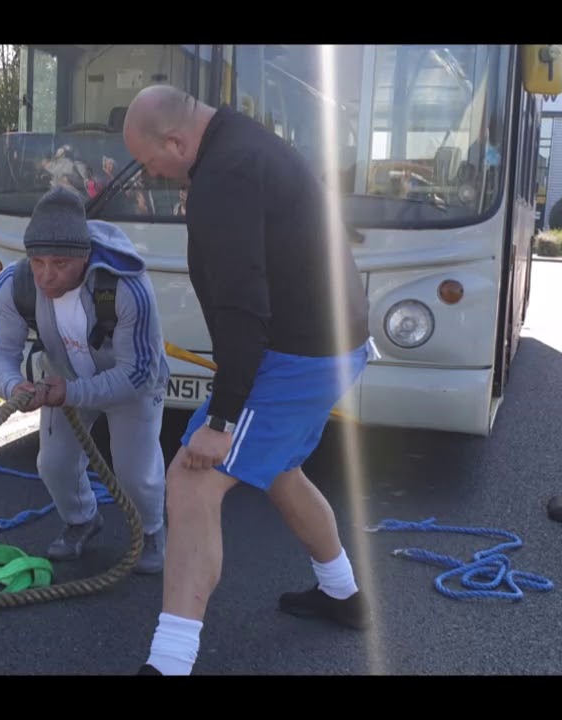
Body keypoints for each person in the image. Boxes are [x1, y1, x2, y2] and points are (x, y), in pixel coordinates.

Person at [122, 85, 374, 675]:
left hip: (296, 357)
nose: (152, 174)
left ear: (177, 140)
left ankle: (170, 661)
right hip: (330, 344)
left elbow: (241, 303)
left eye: (152, 161)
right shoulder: (242, 141)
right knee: (280, 469)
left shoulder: (223, 176)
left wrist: (221, 419)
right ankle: (344, 596)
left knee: (192, 479)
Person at [0, 185, 170, 574]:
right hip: (64, 380)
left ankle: (151, 531)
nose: (46, 276)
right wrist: (13, 386)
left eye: (61, 264)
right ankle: (82, 520)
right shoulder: (13, 287)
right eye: (38, 262)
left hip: (131, 385)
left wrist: (74, 391)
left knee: (135, 473)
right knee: (54, 463)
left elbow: (137, 373)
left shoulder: (126, 285)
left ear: (84, 258)